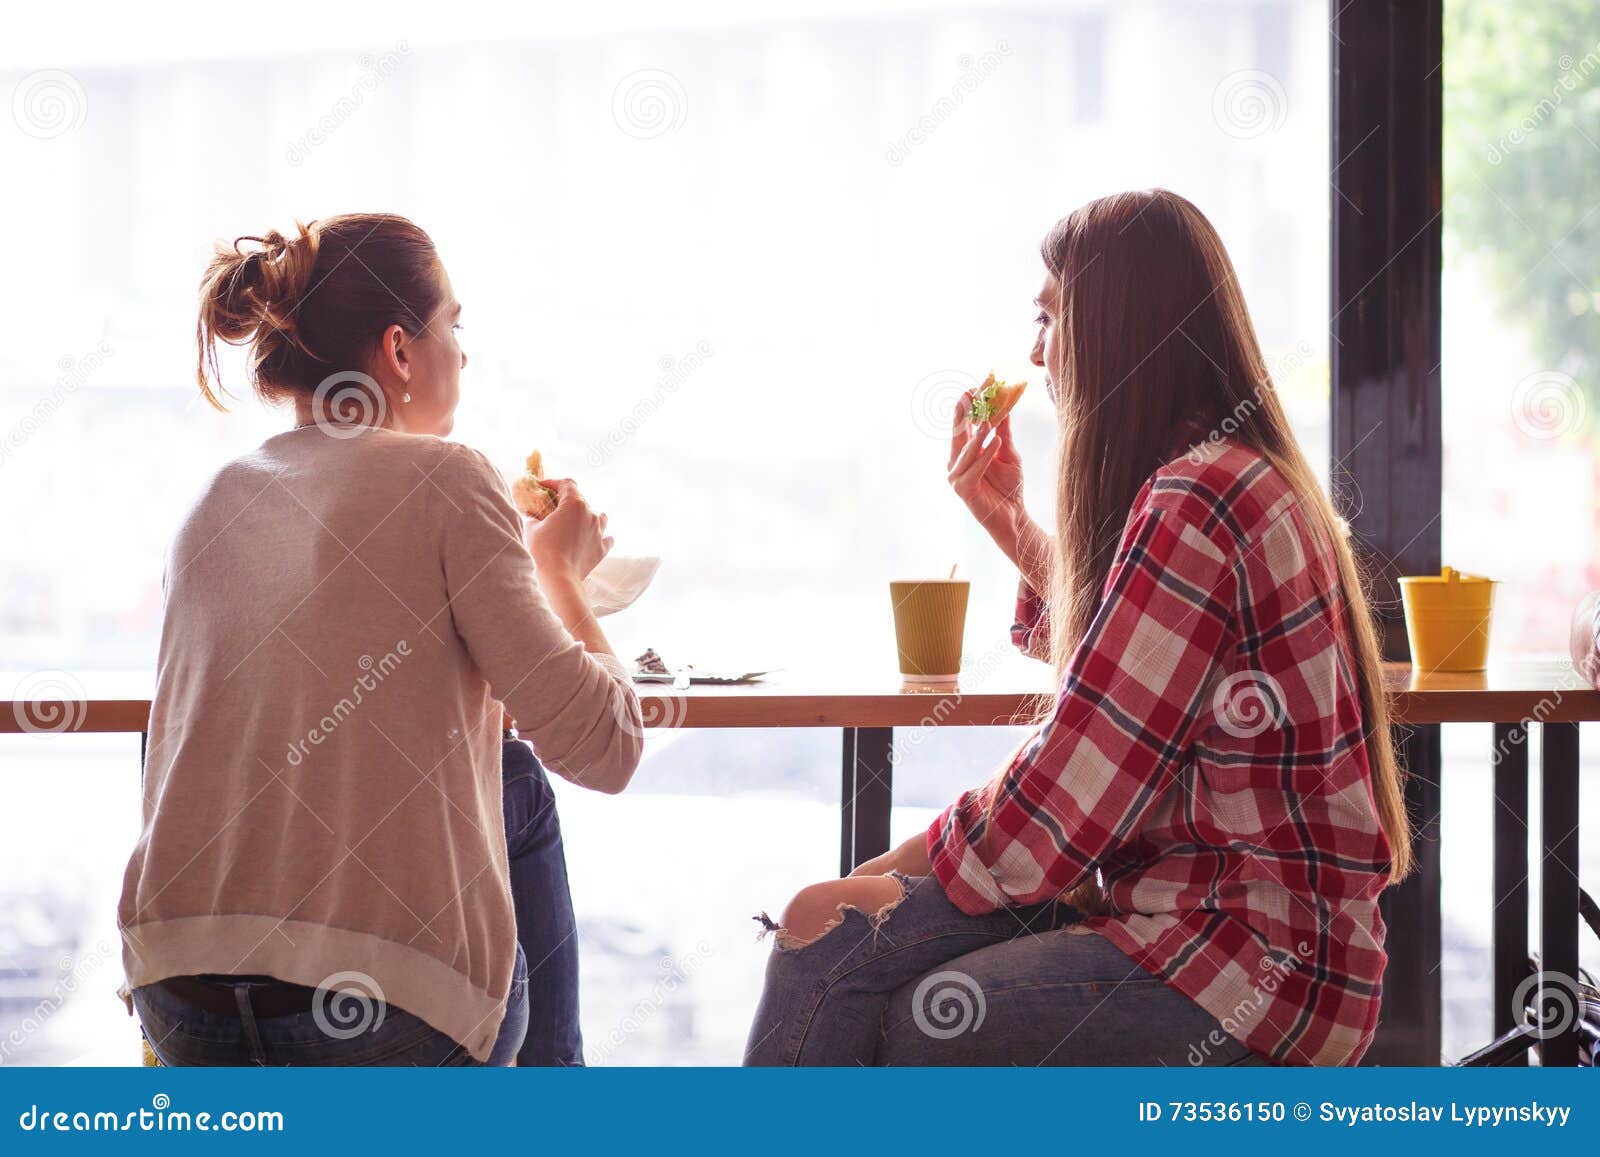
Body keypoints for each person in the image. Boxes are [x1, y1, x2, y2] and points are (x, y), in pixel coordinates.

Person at [744, 189, 1412, 1067]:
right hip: (1265, 942)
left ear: (1116, 323)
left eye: (1049, 316)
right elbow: (1133, 663)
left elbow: (1068, 796)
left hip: (1247, 962)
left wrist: (882, 872)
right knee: (838, 948)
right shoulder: (1235, 475)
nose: (1035, 350)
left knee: (876, 986)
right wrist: (1008, 522)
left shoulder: (1197, 498)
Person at [120, 214, 641, 1066]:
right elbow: (609, 749)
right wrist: (563, 575)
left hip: (182, 1004)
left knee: (505, 774)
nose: (463, 354)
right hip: (370, 1024)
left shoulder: (214, 499)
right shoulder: (449, 477)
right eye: (454, 327)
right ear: (400, 350)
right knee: (522, 781)